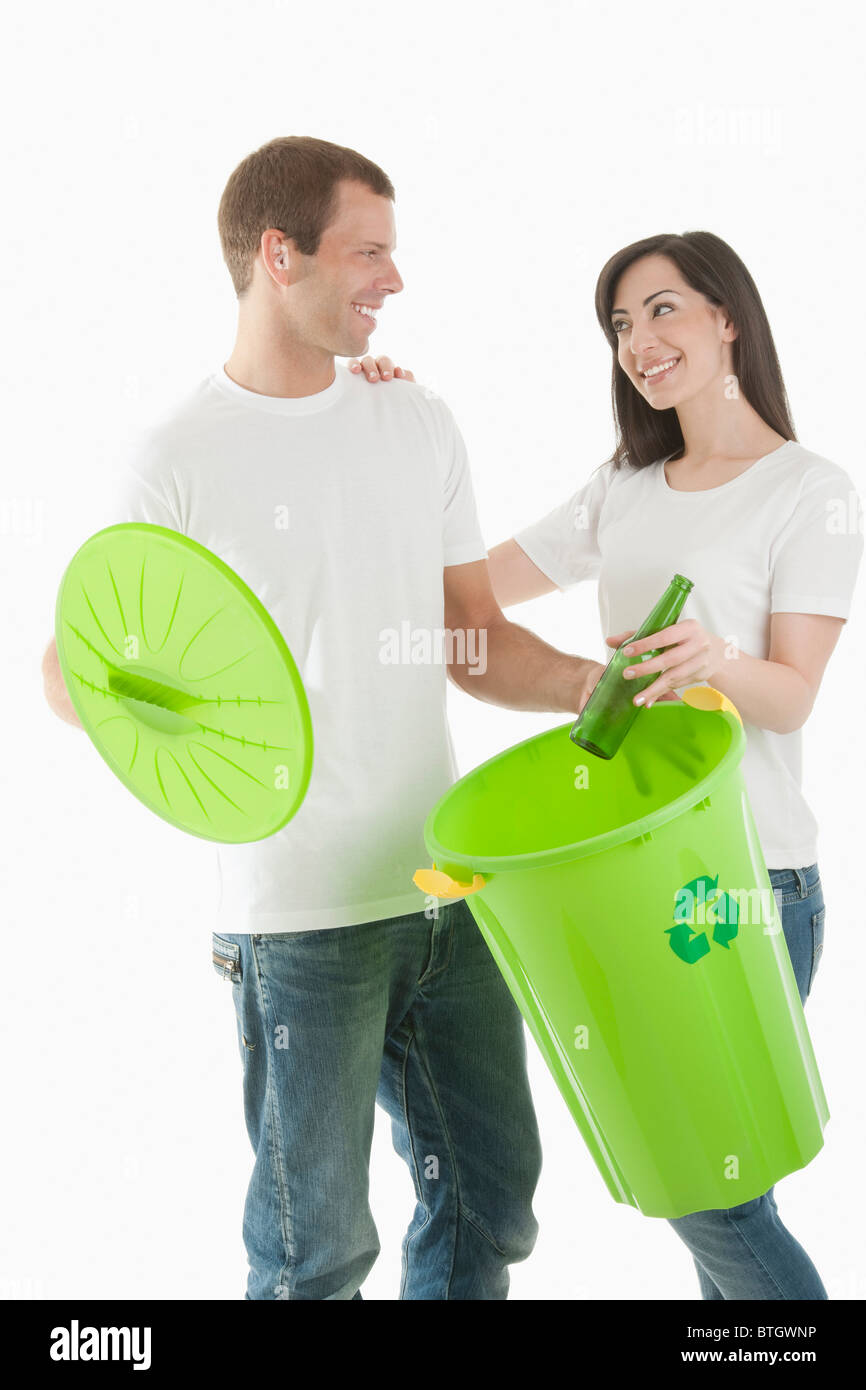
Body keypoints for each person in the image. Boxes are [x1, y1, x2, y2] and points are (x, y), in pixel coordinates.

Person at [41, 136, 617, 1301]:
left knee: (491, 1197)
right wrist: (163, 720)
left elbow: (470, 639)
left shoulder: (417, 421)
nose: (391, 281)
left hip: (445, 891)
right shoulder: (175, 455)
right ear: (277, 253)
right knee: (315, 1254)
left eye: (391, 255)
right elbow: (73, 668)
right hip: (297, 921)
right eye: (368, 253)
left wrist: (593, 687)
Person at [350, 230, 864, 1299]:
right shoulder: (624, 486)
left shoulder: (806, 490)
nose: (640, 342)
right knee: (694, 1170)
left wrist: (718, 660)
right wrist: (386, 427)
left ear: (728, 317)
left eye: (663, 310)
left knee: (705, 1185)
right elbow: (464, 588)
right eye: (621, 326)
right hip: (622, 876)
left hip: (741, 874)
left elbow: (795, 693)